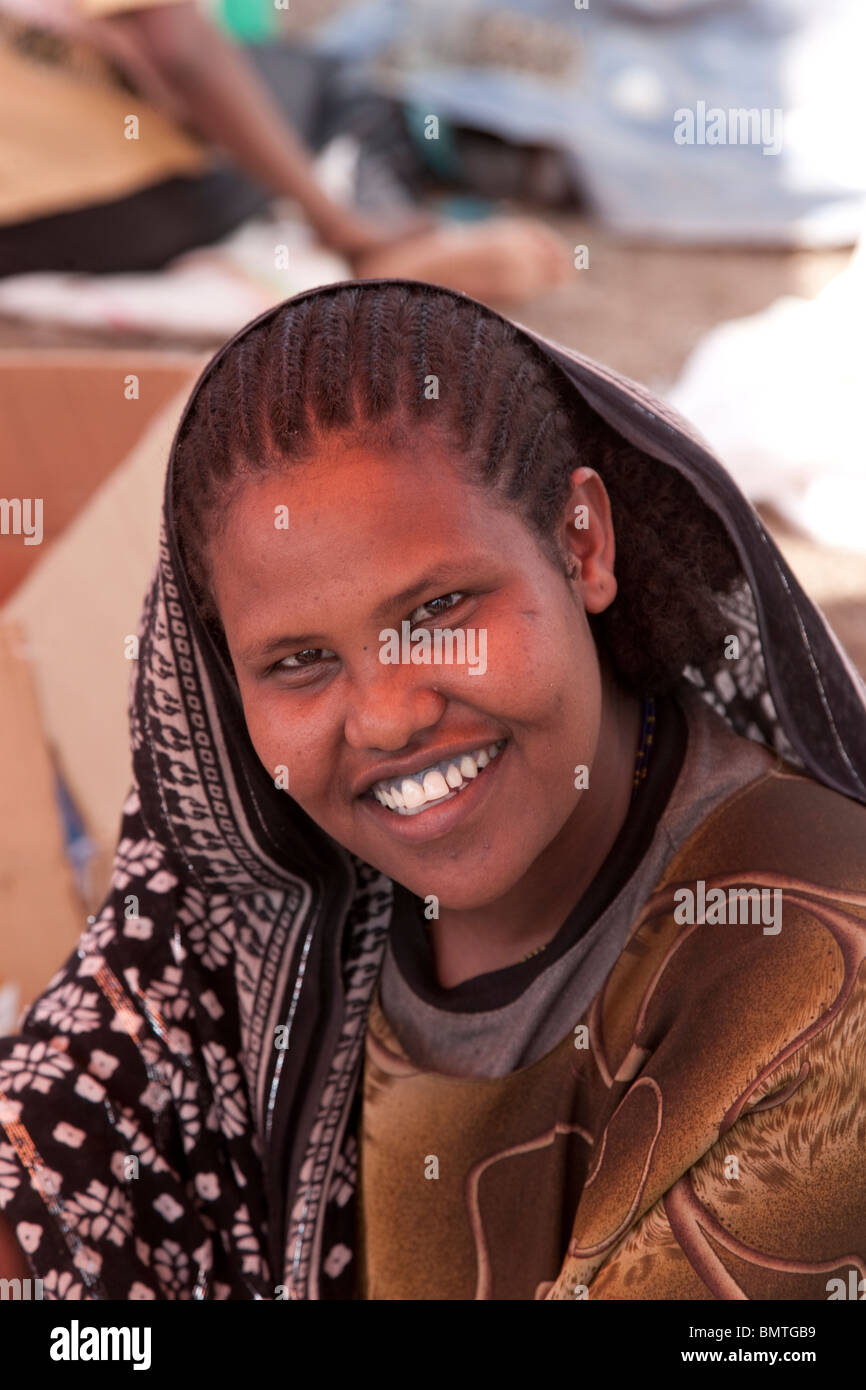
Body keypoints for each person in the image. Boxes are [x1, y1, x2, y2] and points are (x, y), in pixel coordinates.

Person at [1, 278, 865, 1301]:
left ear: (580, 542)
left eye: (440, 607)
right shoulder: (270, 915)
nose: (385, 716)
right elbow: (53, 1170)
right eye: (298, 662)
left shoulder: (808, 982)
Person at [0, 0, 568, 300]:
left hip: (18, 238)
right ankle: (367, 244)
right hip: (110, 203)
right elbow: (180, 51)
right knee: (333, 85)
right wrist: (330, 218)